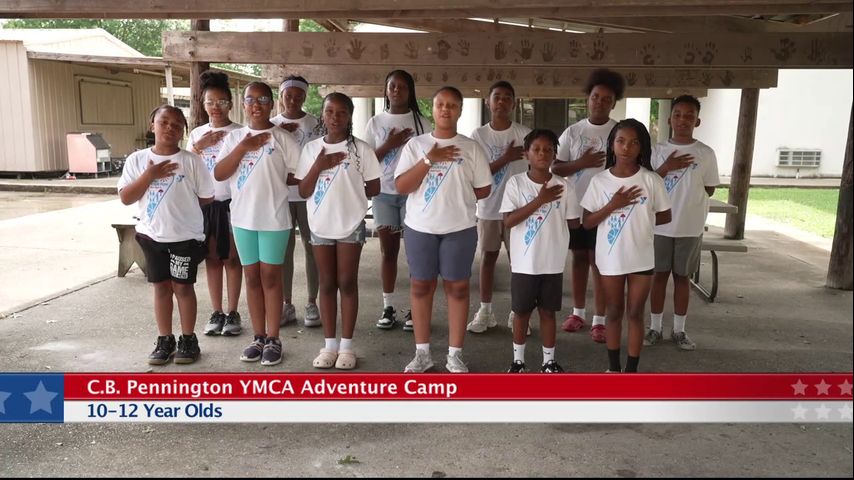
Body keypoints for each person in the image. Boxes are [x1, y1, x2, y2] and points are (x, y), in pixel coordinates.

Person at [394, 86, 492, 373]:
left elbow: (484, 188)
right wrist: (429, 160)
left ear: (460, 110)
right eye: (440, 104)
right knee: (421, 286)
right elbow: (402, 186)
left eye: (452, 105)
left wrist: (457, 195)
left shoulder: (471, 147)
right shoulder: (416, 146)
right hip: (421, 228)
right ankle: (422, 353)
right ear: (432, 109)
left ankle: (455, 354)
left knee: (458, 288)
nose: (446, 109)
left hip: (459, 227)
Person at [118, 105, 214, 365]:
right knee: (160, 287)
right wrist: (150, 175)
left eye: (176, 124)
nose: (170, 128)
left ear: (183, 130)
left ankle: (188, 339)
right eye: (164, 122)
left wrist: (182, 211)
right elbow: (126, 197)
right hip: (151, 236)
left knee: (183, 287)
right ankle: (165, 339)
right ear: (152, 126)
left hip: (185, 238)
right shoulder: (137, 161)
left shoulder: (191, 161)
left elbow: (206, 196)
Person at [214, 81, 300, 366]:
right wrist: (245, 147)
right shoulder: (233, 137)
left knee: (271, 277)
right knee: (251, 277)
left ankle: (274, 337)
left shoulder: (283, 138)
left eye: (263, 99)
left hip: (275, 219)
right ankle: (258, 336)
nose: (256, 104)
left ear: (272, 104)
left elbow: (296, 175)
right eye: (250, 99)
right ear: (243, 104)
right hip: (242, 219)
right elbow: (220, 172)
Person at [296, 92, 381, 370]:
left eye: (342, 112)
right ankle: (329, 345)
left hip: (350, 225)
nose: (335, 117)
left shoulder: (361, 149)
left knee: (347, 282)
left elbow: (374, 188)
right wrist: (320, 166)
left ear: (350, 116)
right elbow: (303, 190)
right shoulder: (311, 150)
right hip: (320, 225)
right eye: (330, 111)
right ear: (322, 114)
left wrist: (351, 195)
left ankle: (346, 346)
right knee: (326, 283)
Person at [580, 119, 672, 373]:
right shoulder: (600, 181)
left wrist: (640, 217)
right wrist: (613, 205)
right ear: (612, 145)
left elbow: (665, 215)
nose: (626, 147)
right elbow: (587, 222)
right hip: (610, 258)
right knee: (613, 311)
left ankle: (631, 371)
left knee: (634, 313)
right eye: (620, 141)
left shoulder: (651, 180)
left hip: (641, 256)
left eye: (633, 142)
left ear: (642, 147)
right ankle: (613, 368)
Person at [552, 68, 626, 343]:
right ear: (588, 98)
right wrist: (580, 164)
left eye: (606, 99)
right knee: (579, 259)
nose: (600, 102)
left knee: (600, 262)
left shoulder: (619, 132)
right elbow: (556, 167)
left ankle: (599, 319)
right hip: (576, 206)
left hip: (607, 210)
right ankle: (578, 312)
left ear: (613, 102)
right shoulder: (573, 131)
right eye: (596, 97)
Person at [500, 129, 581, 373]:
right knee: (521, 312)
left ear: (555, 154)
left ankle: (548, 361)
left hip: (552, 262)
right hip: (525, 262)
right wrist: (540, 200)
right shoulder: (516, 183)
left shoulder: (565, 186)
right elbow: (508, 221)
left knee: (548, 312)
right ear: (526, 154)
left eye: (548, 149)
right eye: (536, 149)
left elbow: (574, 222)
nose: (542, 153)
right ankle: (518, 361)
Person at [647, 95, 720, 351]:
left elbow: (710, 188)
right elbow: (648, 184)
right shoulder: (657, 151)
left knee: (682, 278)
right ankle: (655, 328)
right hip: (659, 226)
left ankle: (679, 330)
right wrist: (667, 167)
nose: (682, 120)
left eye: (689, 115)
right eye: (677, 114)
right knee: (658, 277)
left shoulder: (705, 153)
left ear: (697, 121)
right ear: (669, 119)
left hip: (690, 226)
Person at [364, 69, 430, 332]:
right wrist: (390, 144)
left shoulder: (422, 122)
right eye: (392, 85)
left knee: (416, 254)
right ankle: (388, 306)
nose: (396, 90)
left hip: (414, 195)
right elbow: (366, 160)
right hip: (383, 194)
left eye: (402, 86)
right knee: (388, 253)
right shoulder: (376, 122)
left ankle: (415, 308)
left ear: (410, 91)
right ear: (386, 89)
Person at [466, 81, 532, 335]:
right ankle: (485, 310)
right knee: (488, 259)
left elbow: (535, 170)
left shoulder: (525, 134)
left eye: (507, 98)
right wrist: (504, 158)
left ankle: (518, 312)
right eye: (497, 97)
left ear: (514, 104)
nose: (502, 102)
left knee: (520, 262)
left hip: (518, 209)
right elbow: (476, 174)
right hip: (489, 207)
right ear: (488, 102)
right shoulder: (478, 136)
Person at [187, 70, 243, 337]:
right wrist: (198, 147)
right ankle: (217, 311)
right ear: (202, 104)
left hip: (232, 203)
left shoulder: (240, 132)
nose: (216, 107)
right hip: (205, 205)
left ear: (230, 104)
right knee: (211, 259)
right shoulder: (196, 134)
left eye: (221, 101)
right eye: (210, 102)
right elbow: (184, 168)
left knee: (232, 258)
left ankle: (233, 312)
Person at [270, 75, 321, 329]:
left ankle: (312, 301)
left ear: (305, 96)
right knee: (284, 251)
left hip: (309, 195)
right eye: (288, 95)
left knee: (312, 247)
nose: (292, 99)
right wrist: (279, 134)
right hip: (281, 195)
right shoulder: (271, 125)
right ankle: (286, 303)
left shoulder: (315, 124)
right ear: (280, 96)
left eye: (298, 95)